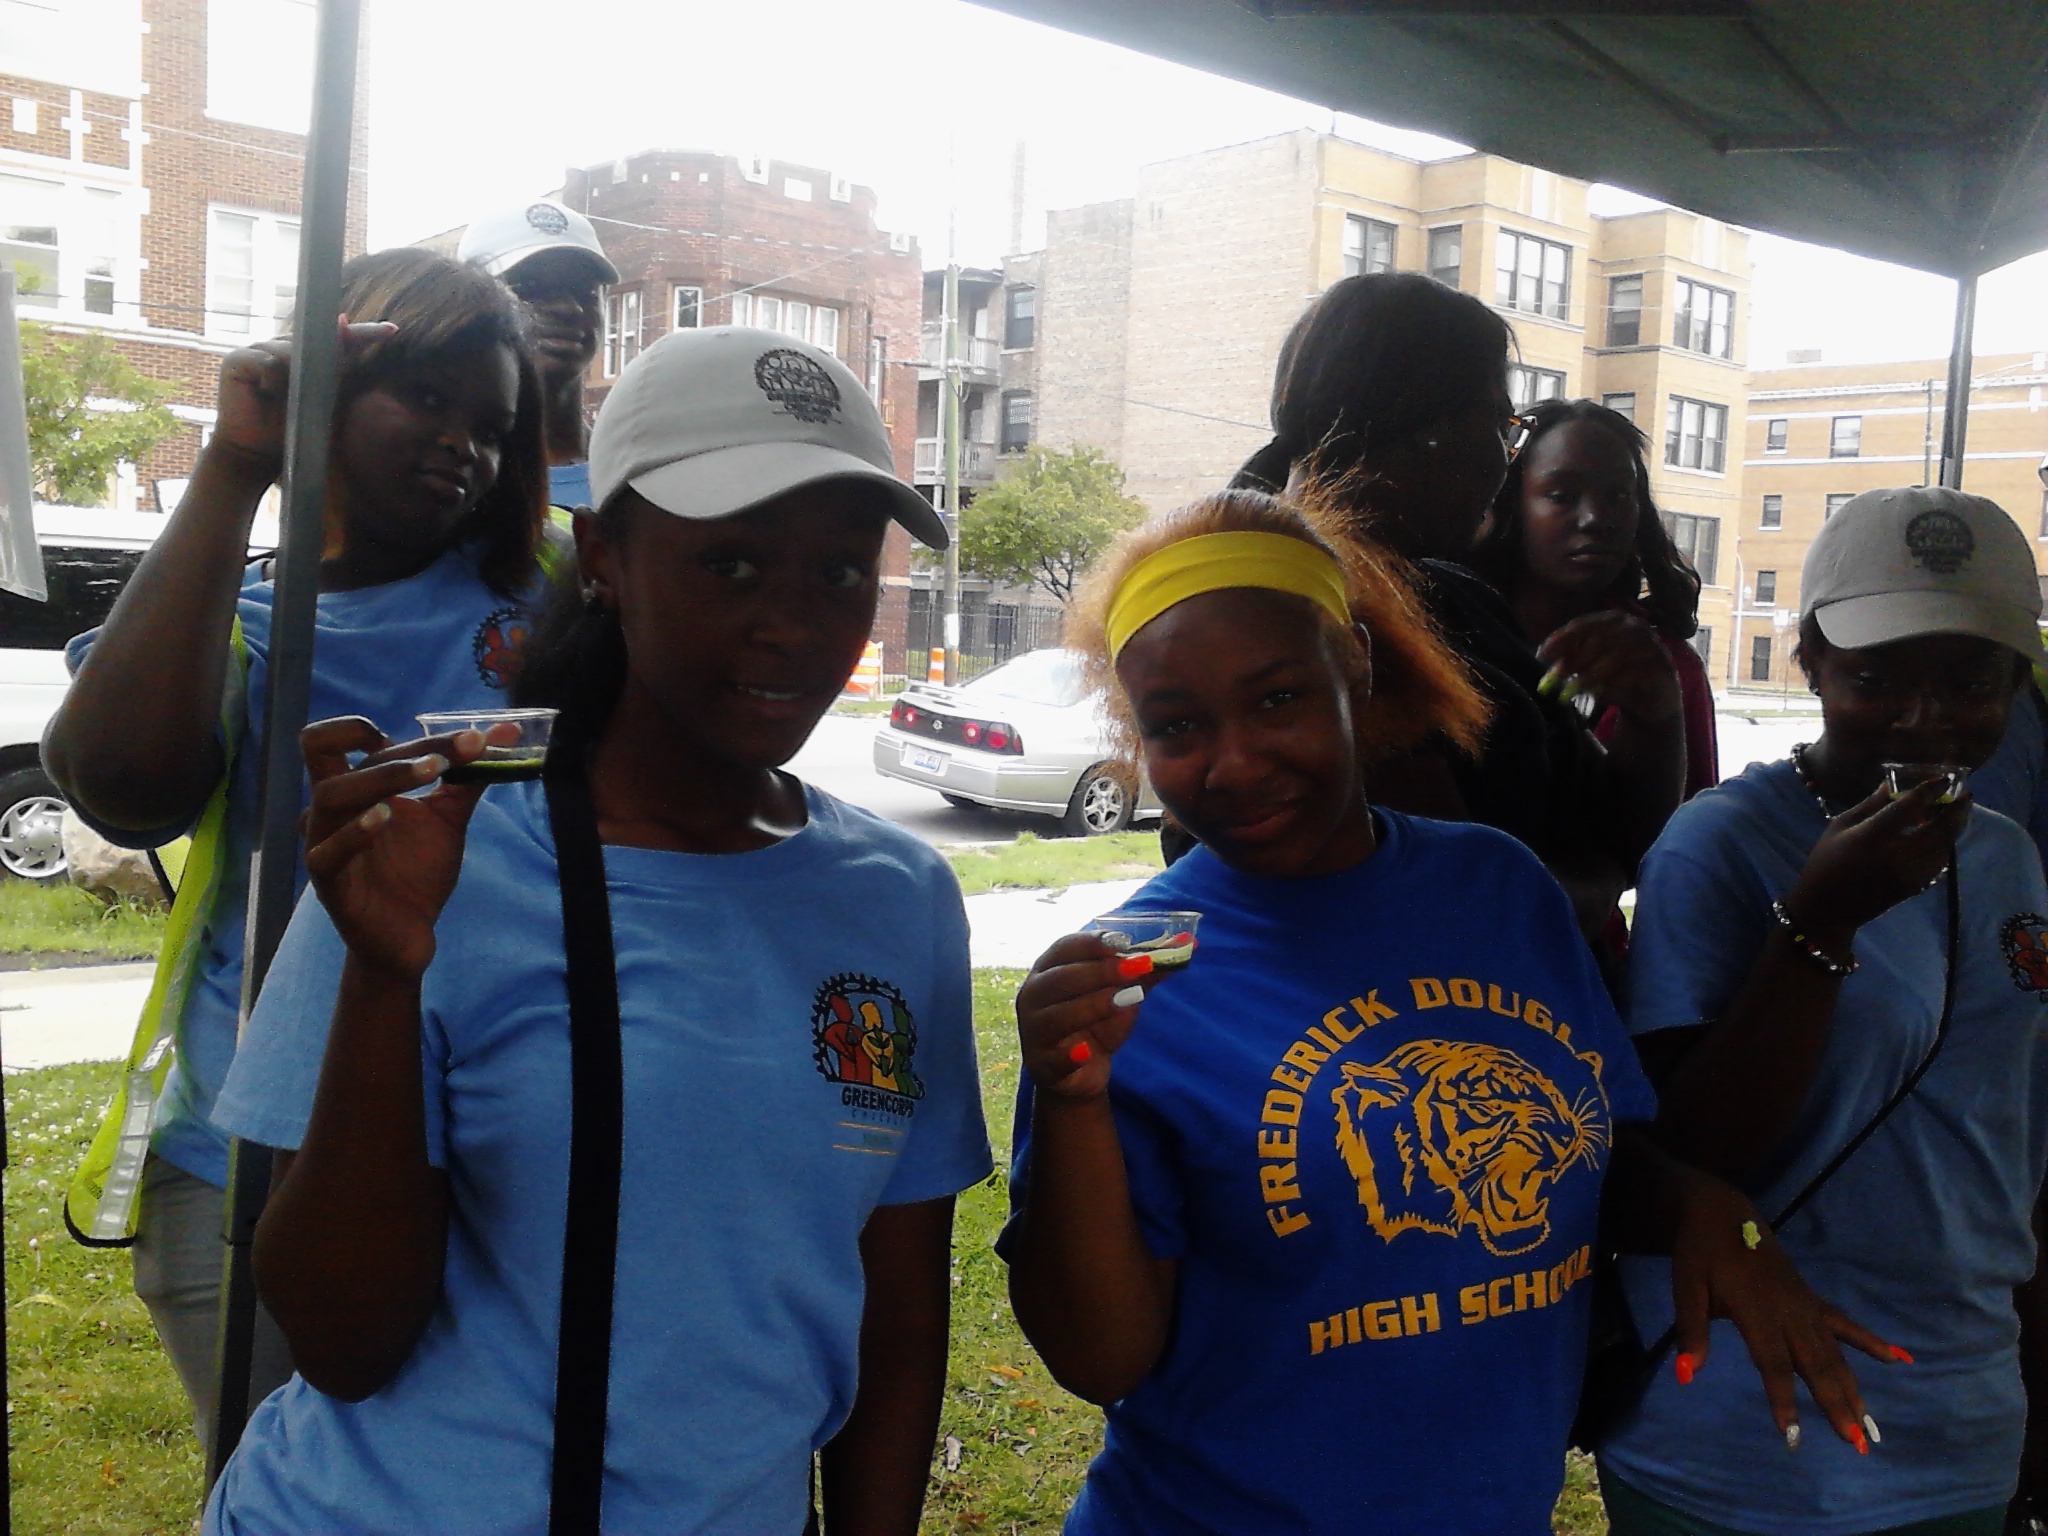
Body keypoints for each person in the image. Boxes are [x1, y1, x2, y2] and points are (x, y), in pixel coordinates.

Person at [202, 326, 991, 1533]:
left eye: (839, 573)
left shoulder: (899, 897)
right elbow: (341, 1342)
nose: (791, 623)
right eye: (731, 563)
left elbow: (894, 1311)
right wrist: (383, 973)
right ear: (604, 557)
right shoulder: (437, 849)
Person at [1003, 487, 1893, 1535]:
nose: (1233, 762)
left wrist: (1704, 1212)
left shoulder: (1498, 889)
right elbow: (1101, 1360)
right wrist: (1071, 1102)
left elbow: (1591, 1151)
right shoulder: (1132, 980)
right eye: (1178, 725)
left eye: (1277, 699)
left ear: (1355, 668)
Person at [45, 247, 552, 1449]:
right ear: (323, 384)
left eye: (490, 427)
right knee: (285, 1486)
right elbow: (122, 791)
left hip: (500, 1125)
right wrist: (237, 464)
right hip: (256, 1140)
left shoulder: (544, 599)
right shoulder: (238, 622)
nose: (461, 445)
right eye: (424, 396)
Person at [1596, 486, 2048, 1536]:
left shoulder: (2008, 856)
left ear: (2017, 683)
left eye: (1969, 681)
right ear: (1809, 662)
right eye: (1877, 678)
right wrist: (1820, 921)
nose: (1925, 717)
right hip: (1747, 1421)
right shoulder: (1719, 844)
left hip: (1966, 1419)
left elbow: (2009, 1153)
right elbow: (1684, 1160)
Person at [1230, 274, 1685, 944]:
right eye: (1501, 425)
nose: (1505, 463)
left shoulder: (1455, 597)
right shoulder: (1287, 620)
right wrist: (1592, 884)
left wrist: (1655, 713)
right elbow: (1458, 903)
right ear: (1432, 431)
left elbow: (1619, 834)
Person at [1468, 396, 1718, 801]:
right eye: (1562, 495)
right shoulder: (1450, 633)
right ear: (1511, 502)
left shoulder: (1666, 667)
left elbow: (1685, 830)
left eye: (1618, 495)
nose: (1595, 519)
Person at [458, 198, 617, 510]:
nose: (568, 308)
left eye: (586, 292)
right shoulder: (450, 475)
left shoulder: (633, 475)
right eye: (529, 288)